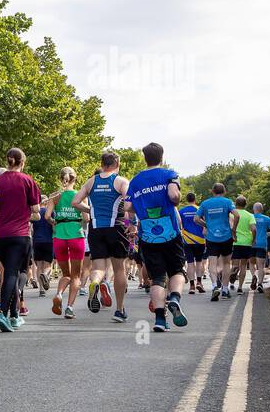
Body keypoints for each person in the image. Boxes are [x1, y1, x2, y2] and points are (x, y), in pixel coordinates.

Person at [125, 142, 187, 332]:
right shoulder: (169, 174)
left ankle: (160, 320)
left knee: (158, 277)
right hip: (170, 231)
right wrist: (174, 199)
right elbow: (174, 195)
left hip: (148, 234)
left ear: (145, 158)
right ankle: (174, 298)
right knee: (177, 270)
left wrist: (143, 208)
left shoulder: (135, 181)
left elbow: (128, 208)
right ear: (161, 157)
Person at [0, 148, 41, 332]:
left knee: (10, 272)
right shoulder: (27, 180)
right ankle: (2, 313)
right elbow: (36, 208)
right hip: (19, 234)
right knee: (12, 273)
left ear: (7, 161)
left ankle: (14, 315)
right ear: (22, 162)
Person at [76, 152, 131, 322]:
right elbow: (128, 203)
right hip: (116, 227)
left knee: (98, 267)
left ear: (102, 163)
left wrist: (91, 211)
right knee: (119, 269)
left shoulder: (91, 181)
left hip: (96, 227)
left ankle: (95, 283)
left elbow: (75, 202)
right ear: (117, 163)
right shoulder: (121, 181)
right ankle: (119, 310)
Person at [46, 167, 86, 320]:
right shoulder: (79, 195)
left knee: (66, 274)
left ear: (60, 178)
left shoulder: (55, 196)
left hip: (59, 237)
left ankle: (58, 294)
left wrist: (55, 222)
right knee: (76, 276)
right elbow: (87, 218)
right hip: (76, 235)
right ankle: (69, 307)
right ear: (74, 179)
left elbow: (47, 216)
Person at [197, 183, 235, 301]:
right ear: (224, 191)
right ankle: (225, 289)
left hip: (211, 238)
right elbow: (236, 215)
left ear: (212, 191)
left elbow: (196, 218)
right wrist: (233, 230)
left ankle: (214, 286)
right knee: (227, 264)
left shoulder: (205, 203)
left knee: (212, 263)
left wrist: (206, 225)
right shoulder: (228, 202)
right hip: (226, 236)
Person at [177, 191, 207, 295]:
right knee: (199, 262)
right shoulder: (200, 209)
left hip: (187, 240)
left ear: (187, 199)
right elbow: (205, 224)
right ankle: (199, 282)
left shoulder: (182, 211)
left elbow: (179, 225)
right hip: (200, 240)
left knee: (190, 263)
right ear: (195, 199)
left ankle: (192, 286)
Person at [230, 195, 256, 292]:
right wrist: (253, 240)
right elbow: (254, 229)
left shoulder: (232, 214)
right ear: (246, 204)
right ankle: (240, 288)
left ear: (235, 204)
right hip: (246, 242)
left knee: (234, 265)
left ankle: (233, 276)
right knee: (244, 266)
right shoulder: (250, 215)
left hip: (235, 241)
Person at [251, 202, 270, 293]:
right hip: (262, 244)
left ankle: (254, 276)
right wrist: (266, 234)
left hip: (251, 243)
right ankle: (260, 284)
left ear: (254, 209)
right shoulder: (266, 218)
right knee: (261, 266)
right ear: (262, 209)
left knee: (251, 263)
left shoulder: (250, 217)